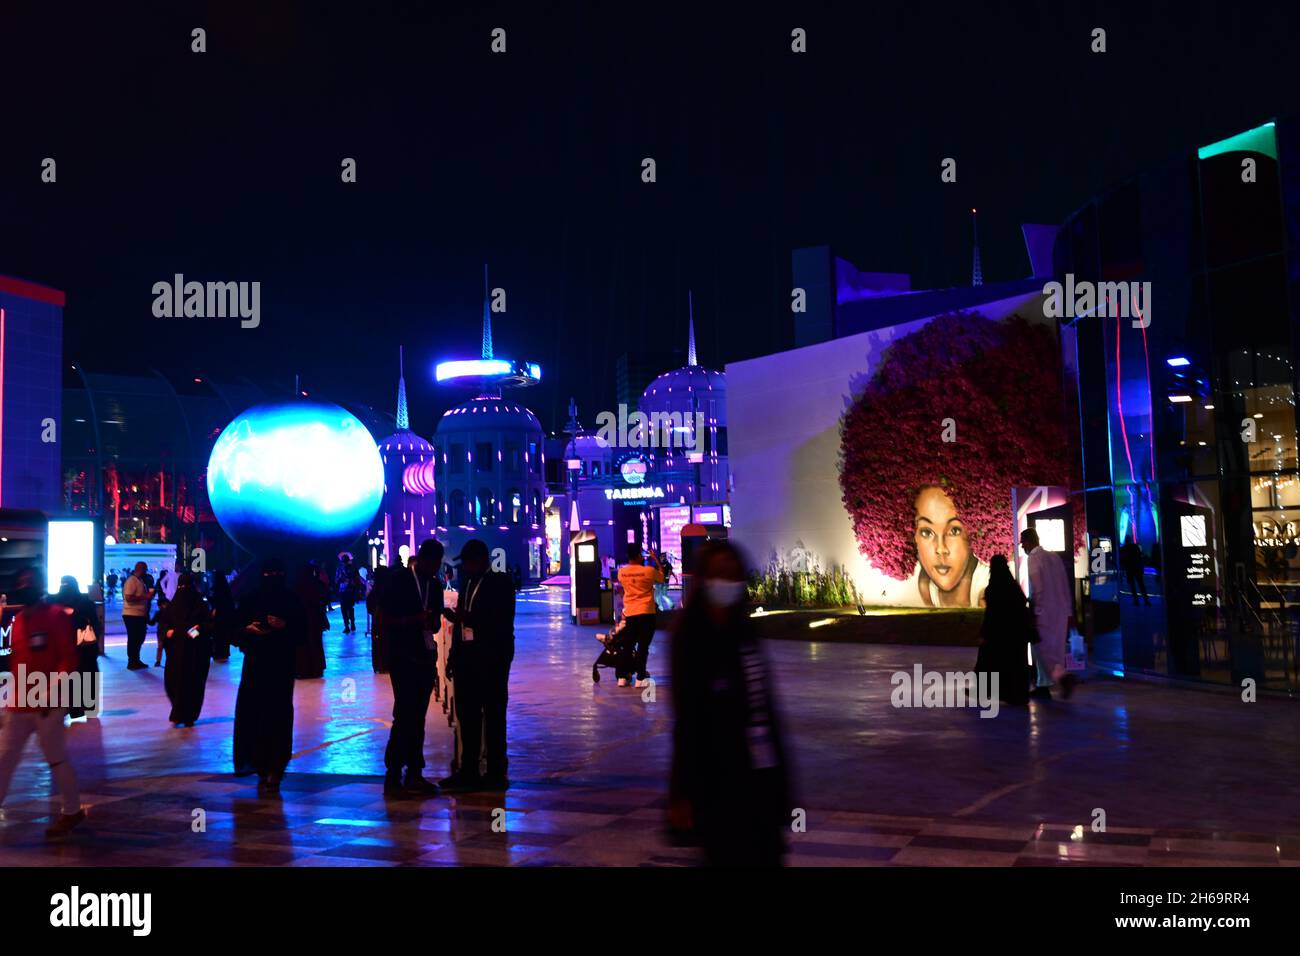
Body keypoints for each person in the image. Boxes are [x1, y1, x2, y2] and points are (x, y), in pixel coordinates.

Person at [669, 540, 790, 866]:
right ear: (705, 580)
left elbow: (764, 705)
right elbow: (687, 718)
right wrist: (681, 791)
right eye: (720, 573)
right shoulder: (691, 637)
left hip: (760, 775)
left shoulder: (743, 630)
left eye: (734, 574)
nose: (728, 581)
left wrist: (781, 782)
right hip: (719, 780)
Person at [0, 569, 87, 837]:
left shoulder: (55, 616)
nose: (23, 588)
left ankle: (72, 812)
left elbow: (68, 659)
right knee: (4, 758)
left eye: (27, 584)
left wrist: (51, 692)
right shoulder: (19, 619)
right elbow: (17, 663)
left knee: (56, 759)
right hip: (21, 703)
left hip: (48, 704)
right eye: (20, 584)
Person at [439, 538, 515, 792]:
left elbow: (499, 622)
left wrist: (466, 617)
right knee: (468, 715)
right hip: (467, 661)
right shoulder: (468, 583)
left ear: (481, 561)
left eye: (469, 563)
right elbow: (464, 626)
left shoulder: (500, 584)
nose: (465, 568)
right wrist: (452, 658)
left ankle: (495, 771)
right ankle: (468, 770)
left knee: (493, 716)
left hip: (492, 661)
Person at [232, 558, 307, 793]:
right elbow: (235, 629)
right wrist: (248, 629)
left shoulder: (291, 600)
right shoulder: (252, 599)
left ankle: (275, 767)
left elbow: (302, 633)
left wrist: (284, 626)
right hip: (258, 664)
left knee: (276, 715)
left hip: (279, 666)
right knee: (258, 715)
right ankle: (262, 766)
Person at [379, 539, 444, 796]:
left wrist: (432, 622)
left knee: (418, 718)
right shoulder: (399, 581)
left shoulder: (435, 585)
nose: (436, 568)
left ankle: (415, 773)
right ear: (424, 559)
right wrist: (411, 620)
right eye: (434, 563)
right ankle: (393, 774)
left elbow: (436, 624)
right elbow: (382, 617)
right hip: (403, 658)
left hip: (426, 658)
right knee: (404, 716)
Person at [1021, 528, 1077, 699]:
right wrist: (1068, 611)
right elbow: (1065, 585)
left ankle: (1060, 678)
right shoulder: (1054, 557)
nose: (1022, 546)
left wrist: (1036, 611)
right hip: (1060, 612)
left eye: (1023, 542)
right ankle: (1045, 684)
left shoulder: (1033, 558)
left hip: (1044, 611)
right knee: (1056, 648)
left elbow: (1038, 588)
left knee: (1041, 648)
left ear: (1029, 542)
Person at [912, 485, 989, 607]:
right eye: (926, 532)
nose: (941, 549)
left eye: (954, 531)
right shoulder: (926, 586)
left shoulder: (986, 587)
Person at [974, 556, 1033, 706]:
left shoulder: (994, 587)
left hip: (999, 635)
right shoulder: (1013, 586)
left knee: (989, 661)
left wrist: (984, 633)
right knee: (1015, 665)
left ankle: (987, 690)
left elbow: (991, 614)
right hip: (1016, 635)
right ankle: (1016, 694)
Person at [160, 573, 213, 727]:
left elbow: (207, 626)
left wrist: (195, 632)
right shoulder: (174, 605)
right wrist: (167, 633)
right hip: (178, 652)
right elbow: (164, 625)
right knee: (174, 682)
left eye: (186, 586)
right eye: (181, 587)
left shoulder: (199, 605)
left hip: (194, 653)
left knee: (191, 684)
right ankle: (180, 712)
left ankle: (187, 714)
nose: (183, 590)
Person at [54, 576, 101, 720]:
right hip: (85, 648)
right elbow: (95, 624)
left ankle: (75, 709)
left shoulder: (57, 602)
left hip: (71, 648)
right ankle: (88, 707)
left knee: (73, 677)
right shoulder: (86, 602)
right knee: (87, 676)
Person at [615, 549, 663, 687]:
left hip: (630, 613)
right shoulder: (648, 571)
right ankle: (640, 678)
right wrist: (655, 559)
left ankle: (622, 677)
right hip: (647, 612)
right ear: (638, 556)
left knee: (628, 646)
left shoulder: (622, 572)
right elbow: (661, 576)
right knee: (643, 646)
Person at [293, 562, 328, 679]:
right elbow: (323, 601)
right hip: (315, 618)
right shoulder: (317, 584)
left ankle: (303, 670)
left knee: (303, 645)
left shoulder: (298, 585)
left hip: (301, 619)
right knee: (316, 643)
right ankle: (316, 669)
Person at [121, 561, 156, 670]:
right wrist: (145, 597)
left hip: (139, 614)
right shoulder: (131, 581)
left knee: (139, 637)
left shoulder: (140, 581)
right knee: (134, 638)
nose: (146, 572)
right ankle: (132, 661)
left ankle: (135, 659)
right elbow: (128, 597)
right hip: (132, 614)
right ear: (140, 569)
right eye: (145, 569)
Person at [367, 564, 392, 674]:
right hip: (390, 622)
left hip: (377, 622)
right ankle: (387, 663)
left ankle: (379, 664)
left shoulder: (374, 591)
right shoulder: (390, 590)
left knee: (378, 644)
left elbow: (369, 607)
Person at [209, 572, 236, 663]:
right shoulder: (226, 590)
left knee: (218, 636)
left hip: (218, 617)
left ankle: (218, 653)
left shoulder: (216, 589)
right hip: (225, 617)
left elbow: (216, 602)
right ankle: (223, 653)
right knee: (224, 636)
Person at [1119, 538, 1150, 606]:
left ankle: (1136, 601)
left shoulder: (1123, 548)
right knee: (1141, 585)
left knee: (1132, 586)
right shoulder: (1135, 547)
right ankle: (1146, 600)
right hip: (1137, 568)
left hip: (1129, 569)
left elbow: (1122, 560)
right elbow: (1139, 557)